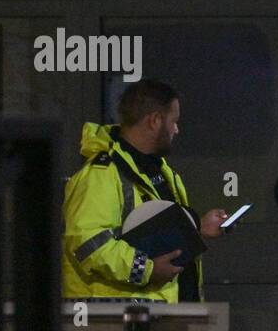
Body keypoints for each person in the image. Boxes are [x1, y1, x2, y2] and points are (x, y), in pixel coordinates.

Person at [63, 79, 229, 302]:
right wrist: (146, 269)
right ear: (155, 121)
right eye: (174, 121)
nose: (176, 129)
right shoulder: (101, 174)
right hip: (117, 321)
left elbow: (155, 230)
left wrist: (198, 226)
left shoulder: (157, 170)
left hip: (156, 314)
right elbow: (88, 244)